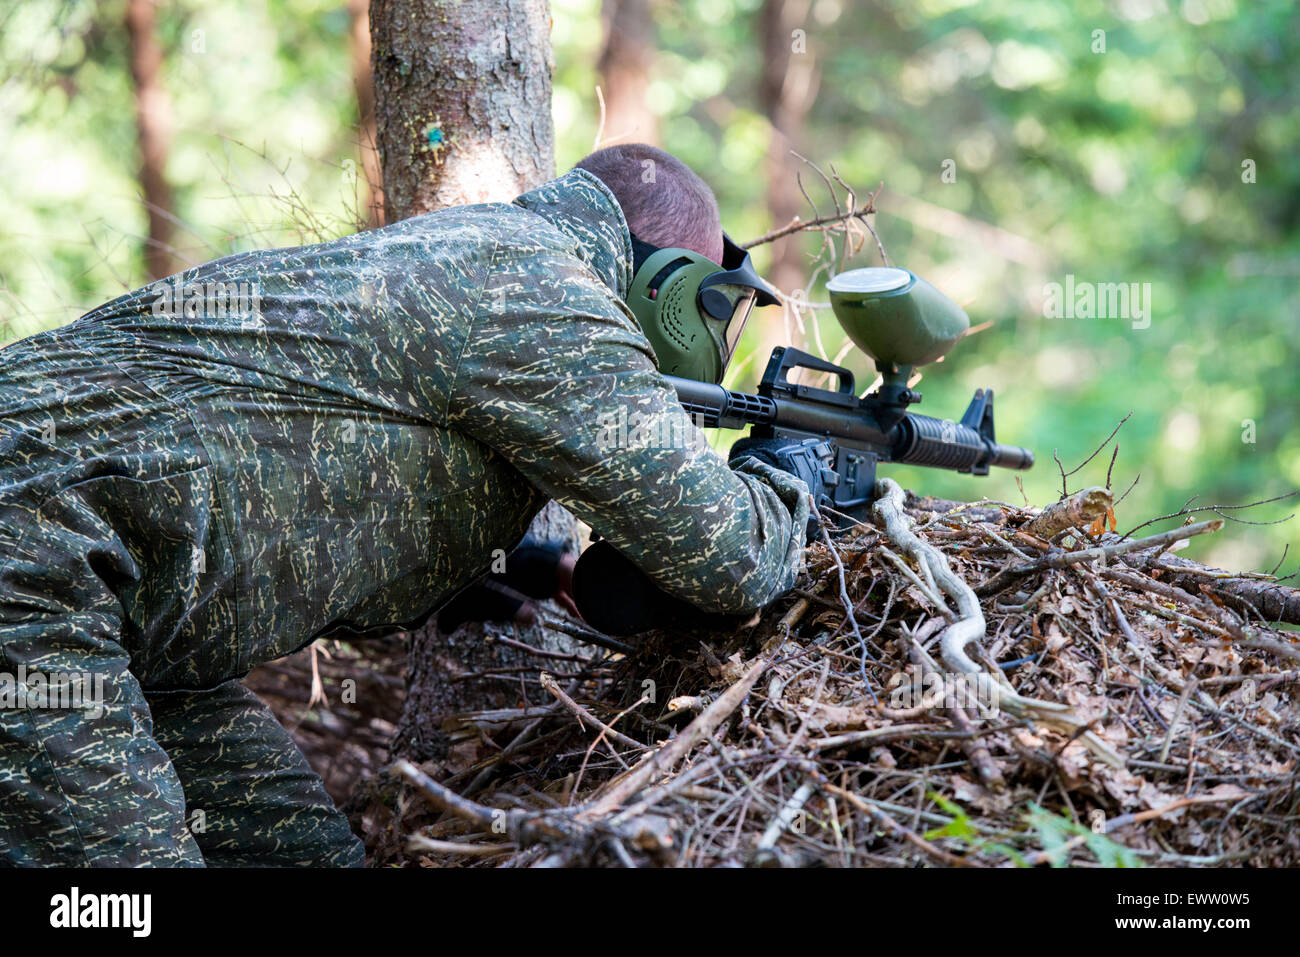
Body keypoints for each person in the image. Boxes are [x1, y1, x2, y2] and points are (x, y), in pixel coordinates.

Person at [0, 143, 813, 866]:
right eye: (718, 300)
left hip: (124, 614)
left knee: (291, 848)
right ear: (671, 279)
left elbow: (304, 435)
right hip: (38, 569)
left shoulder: (476, 253)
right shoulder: (546, 289)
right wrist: (794, 472)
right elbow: (731, 557)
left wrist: (500, 564)